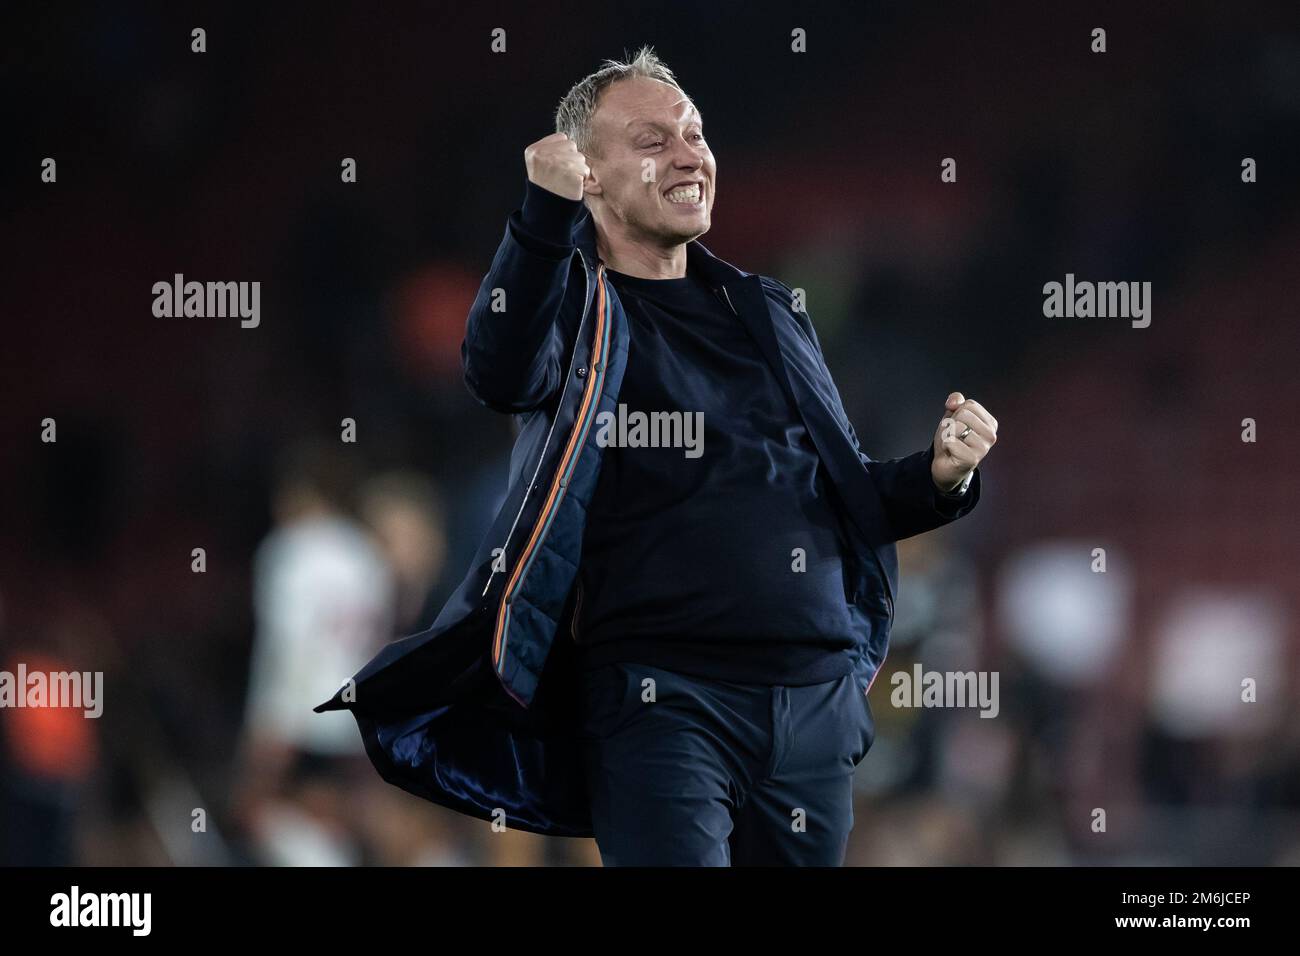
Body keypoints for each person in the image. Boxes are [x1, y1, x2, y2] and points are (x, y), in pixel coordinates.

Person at [317, 47, 997, 866]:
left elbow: (844, 495)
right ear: (588, 176)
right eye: (651, 139)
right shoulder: (572, 308)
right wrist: (539, 216)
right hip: (664, 700)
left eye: (696, 134)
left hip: (812, 704)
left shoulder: (769, 310)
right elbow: (495, 368)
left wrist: (939, 477)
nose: (689, 155)